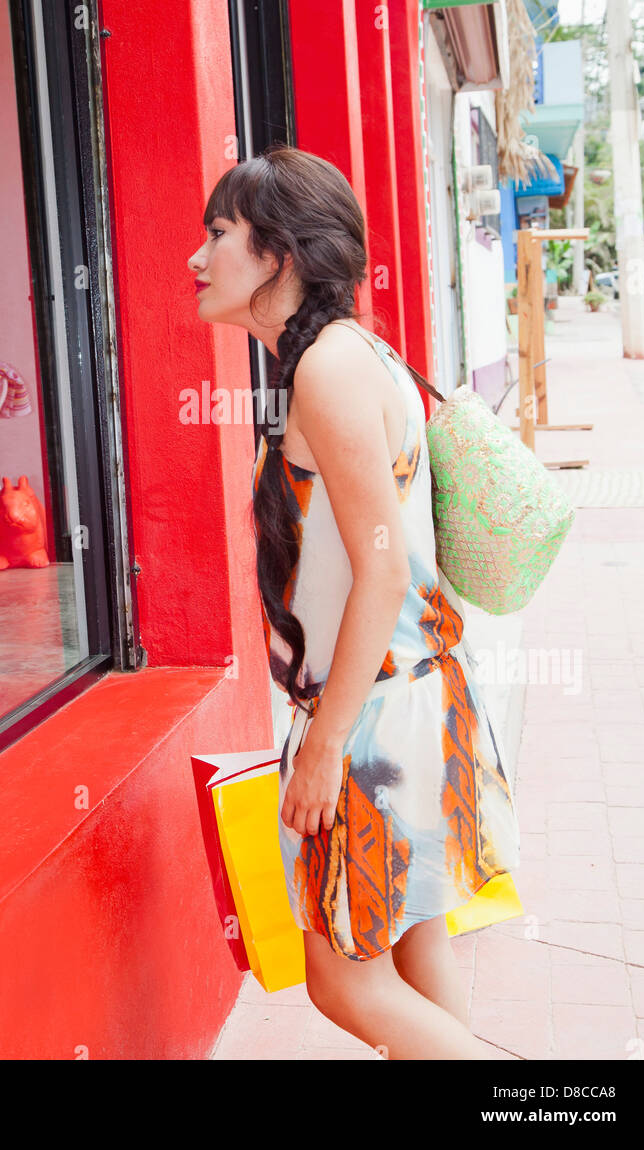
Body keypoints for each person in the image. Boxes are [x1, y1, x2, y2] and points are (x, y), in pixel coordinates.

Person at [188, 146, 522, 1061]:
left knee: (344, 980)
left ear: (278, 255)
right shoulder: (358, 352)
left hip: (375, 716)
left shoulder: (326, 371)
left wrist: (323, 750)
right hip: (413, 696)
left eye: (219, 234)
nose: (197, 257)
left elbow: (381, 569)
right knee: (419, 947)